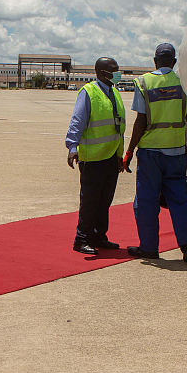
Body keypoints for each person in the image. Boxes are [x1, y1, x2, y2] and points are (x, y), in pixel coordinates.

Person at [122, 42, 187, 263]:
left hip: (151, 153)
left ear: (155, 61)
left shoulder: (145, 82)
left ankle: (149, 247)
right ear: (174, 62)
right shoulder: (185, 84)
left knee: (146, 201)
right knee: (180, 201)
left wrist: (129, 151)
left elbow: (141, 120)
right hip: (176, 152)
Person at [65, 57, 126, 255]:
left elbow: (118, 126)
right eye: (114, 70)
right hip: (93, 158)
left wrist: (119, 155)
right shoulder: (89, 92)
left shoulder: (114, 92)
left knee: (105, 200)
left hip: (110, 156)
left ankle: (99, 236)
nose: (118, 73)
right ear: (101, 73)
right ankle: (82, 238)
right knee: (90, 200)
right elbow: (77, 120)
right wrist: (72, 146)